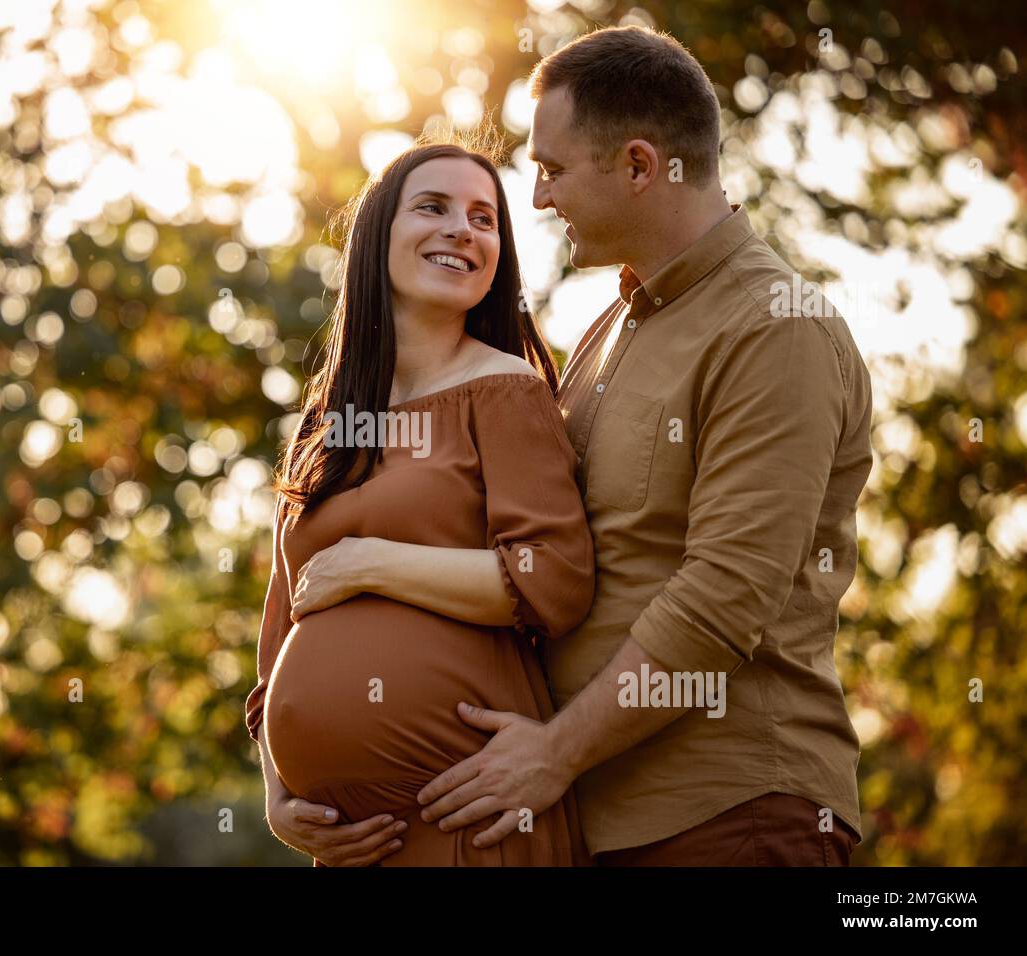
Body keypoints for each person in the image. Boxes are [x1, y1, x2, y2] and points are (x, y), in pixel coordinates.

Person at [293, 25, 873, 867]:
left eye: (552, 170)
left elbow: (724, 597)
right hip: (583, 821)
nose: (538, 201)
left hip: (725, 818)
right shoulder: (610, 332)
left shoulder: (775, 328)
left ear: (640, 167)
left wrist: (555, 751)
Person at [243, 136, 596, 866]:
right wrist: (278, 797)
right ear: (379, 237)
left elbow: (554, 576)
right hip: (352, 848)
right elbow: (277, 641)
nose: (461, 230)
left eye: (483, 218)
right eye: (432, 207)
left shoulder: (506, 390)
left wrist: (373, 563)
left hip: (472, 807)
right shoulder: (328, 423)